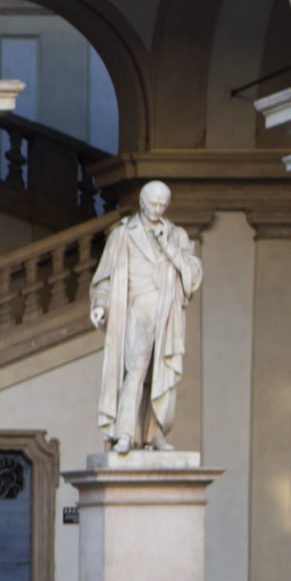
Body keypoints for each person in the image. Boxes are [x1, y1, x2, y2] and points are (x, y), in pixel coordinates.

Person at [90, 179, 203, 454]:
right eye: (153, 203)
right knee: (136, 370)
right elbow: (105, 276)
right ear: (142, 202)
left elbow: (194, 273)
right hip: (136, 312)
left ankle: (154, 434)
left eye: (162, 205)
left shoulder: (175, 236)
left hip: (166, 313)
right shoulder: (124, 235)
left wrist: (170, 250)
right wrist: (101, 304)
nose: (157, 209)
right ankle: (125, 432)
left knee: (160, 374)